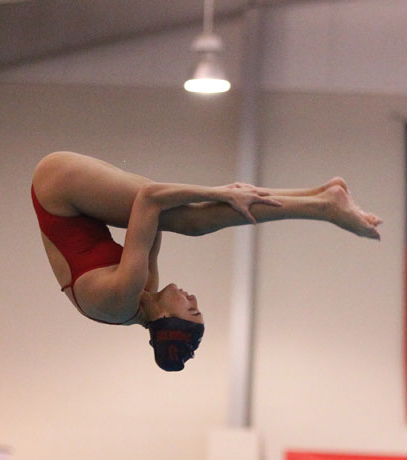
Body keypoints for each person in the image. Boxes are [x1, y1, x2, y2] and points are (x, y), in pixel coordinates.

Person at [31, 151, 382, 370]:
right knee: (187, 217)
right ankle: (317, 196)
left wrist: (220, 192)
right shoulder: (143, 295)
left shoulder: (124, 296)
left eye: (192, 310)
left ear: (166, 317)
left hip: (58, 188)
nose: (193, 298)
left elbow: (151, 199)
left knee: (190, 220)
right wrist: (226, 197)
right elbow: (156, 213)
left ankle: (323, 206)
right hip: (74, 205)